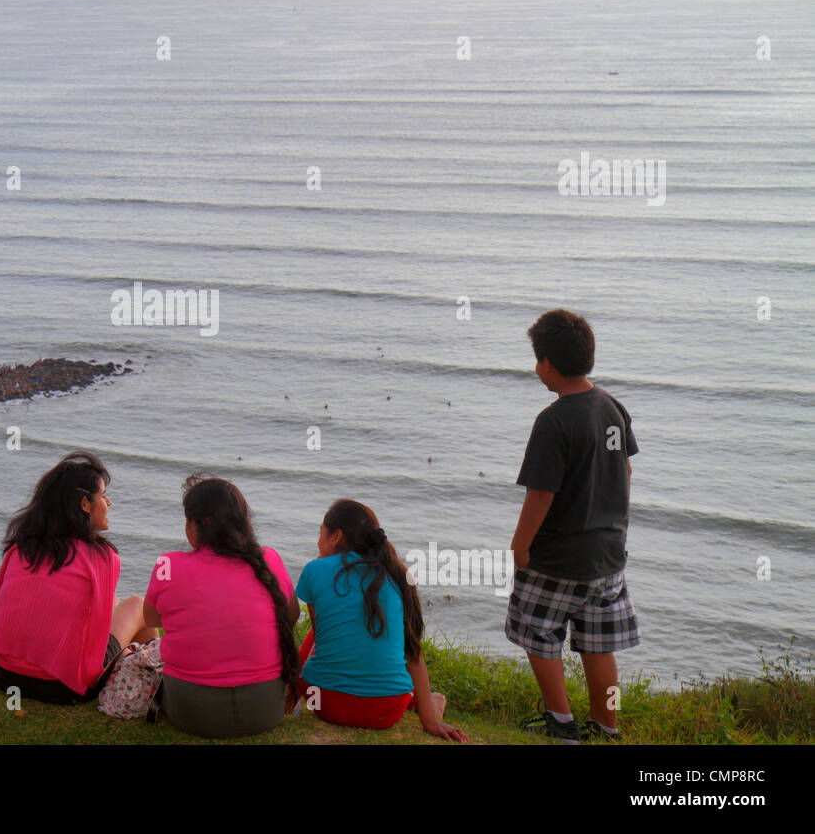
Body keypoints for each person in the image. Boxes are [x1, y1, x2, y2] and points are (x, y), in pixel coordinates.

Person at [507, 309, 640, 743]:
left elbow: (541, 494)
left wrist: (520, 545)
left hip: (557, 557)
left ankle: (560, 723)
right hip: (607, 555)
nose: (535, 368)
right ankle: (607, 726)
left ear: (548, 363)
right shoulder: (612, 408)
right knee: (601, 647)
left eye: (536, 360)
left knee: (538, 634)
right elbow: (624, 472)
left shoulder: (554, 421)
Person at [0, 451, 153, 704]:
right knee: (138, 605)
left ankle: (150, 674)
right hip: (63, 688)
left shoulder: (21, 548)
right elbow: (96, 638)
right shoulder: (102, 557)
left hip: (6, 675)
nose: (109, 503)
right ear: (84, 504)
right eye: (103, 496)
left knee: (113, 601)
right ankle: (157, 679)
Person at [296, 499, 467, 741]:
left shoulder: (314, 570)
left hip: (324, 704)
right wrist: (430, 721)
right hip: (387, 711)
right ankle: (428, 703)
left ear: (336, 536)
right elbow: (412, 651)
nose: (318, 541)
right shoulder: (399, 574)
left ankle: (288, 700)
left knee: (319, 633)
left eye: (320, 533)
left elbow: (323, 638)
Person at [142, 474, 298, 739]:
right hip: (264, 710)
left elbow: (150, 619)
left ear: (193, 526)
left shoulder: (167, 564)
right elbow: (292, 615)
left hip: (192, 711)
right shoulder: (269, 558)